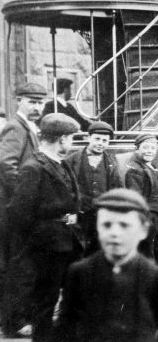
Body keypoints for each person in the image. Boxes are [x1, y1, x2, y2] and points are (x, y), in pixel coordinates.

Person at [55, 188, 158, 342]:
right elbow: (65, 326)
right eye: (107, 225)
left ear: (143, 230)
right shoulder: (80, 273)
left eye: (124, 225)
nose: (114, 233)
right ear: (97, 227)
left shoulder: (154, 276)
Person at [7, 114, 82, 342]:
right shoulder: (34, 168)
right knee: (45, 305)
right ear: (61, 139)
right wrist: (39, 240)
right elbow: (19, 213)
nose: (72, 143)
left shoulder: (62, 164)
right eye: (71, 138)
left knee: (73, 299)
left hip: (69, 243)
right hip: (46, 248)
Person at [0, 82, 47, 337]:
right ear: (19, 101)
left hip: (22, 210)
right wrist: (25, 200)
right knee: (18, 267)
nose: (36, 107)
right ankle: (14, 322)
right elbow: (7, 165)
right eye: (31, 101)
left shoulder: (30, 128)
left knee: (24, 266)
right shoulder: (15, 127)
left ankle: (18, 317)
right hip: (15, 212)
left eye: (40, 102)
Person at [65, 121, 121, 255]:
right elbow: (66, 187)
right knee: (78, 250)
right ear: (88, 138)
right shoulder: (72, 160)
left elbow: (117, 188)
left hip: (102, 214)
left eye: (104, 140)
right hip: (80, 215)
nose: (100, 143)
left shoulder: (112, 162)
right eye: (97, 139)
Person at [125, 134, 158, 266]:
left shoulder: (152, 167)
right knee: (147, 248)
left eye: (153, 148)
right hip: (148, 214)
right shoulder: (134, 170)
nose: (149, 151)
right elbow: (135, 197)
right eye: (145, 147)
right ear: (137, 149)